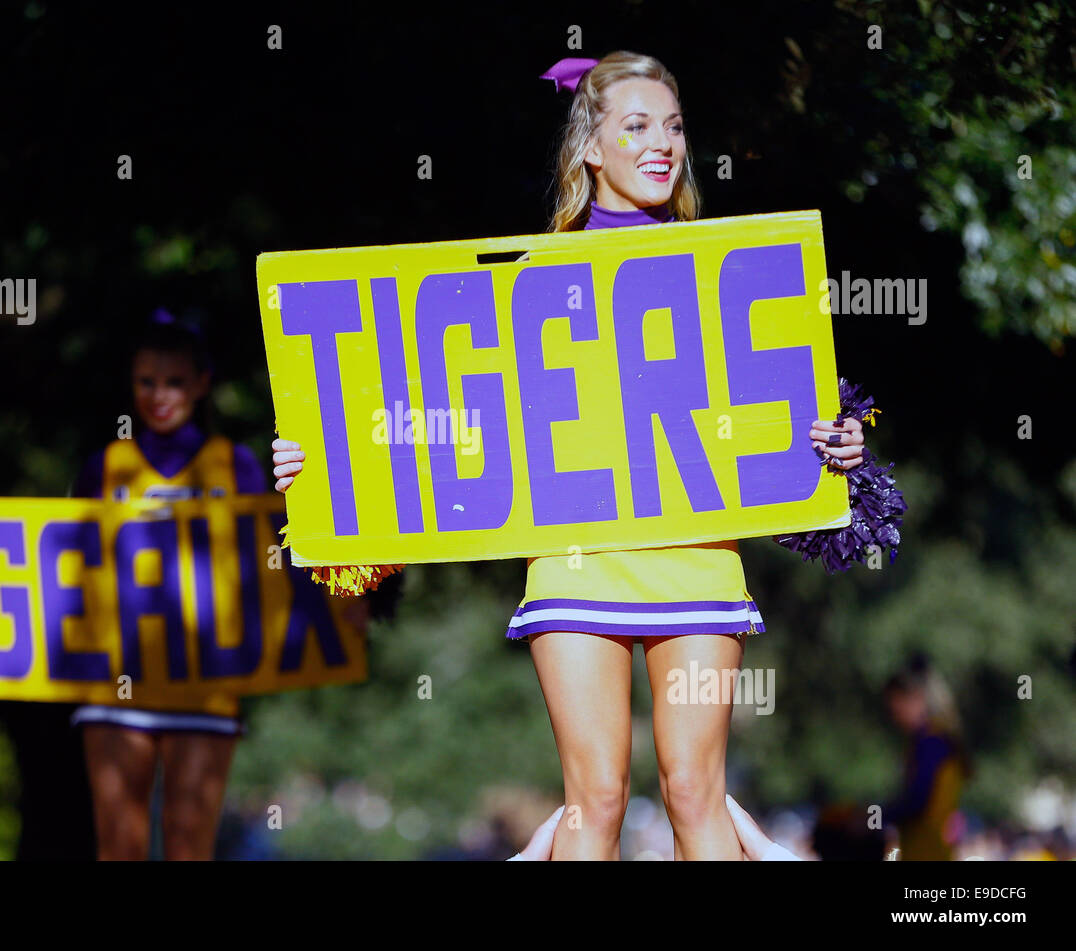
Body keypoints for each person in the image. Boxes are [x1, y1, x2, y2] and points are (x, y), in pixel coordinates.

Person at [271, 52, 868, 860]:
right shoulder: (528, 275)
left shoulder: (720, 270)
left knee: (695, 789)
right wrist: (324, 456)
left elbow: (785, 420)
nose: (663, 144)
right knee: (598, 799)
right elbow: (432, 419)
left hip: (695, 558)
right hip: (576, 559)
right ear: (591, 146)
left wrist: (840, 442)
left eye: (675, 126)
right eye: (637, 126)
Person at [71, 309, 268, 860]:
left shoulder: (237, 466)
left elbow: (274, 561)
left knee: (189, 849)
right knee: (119, 849)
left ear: (202, 384)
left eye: (175, 381)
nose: (160, 395)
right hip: (116, 682)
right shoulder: (103, 467)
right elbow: (60, 569)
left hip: (204, 683)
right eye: (146, 382)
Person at [882, 654, 970, 860]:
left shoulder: (932, 743)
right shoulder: (938, 740)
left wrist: (870, 819)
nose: (894, 715)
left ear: (916, 699)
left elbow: (917, 800)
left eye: (896, 705)